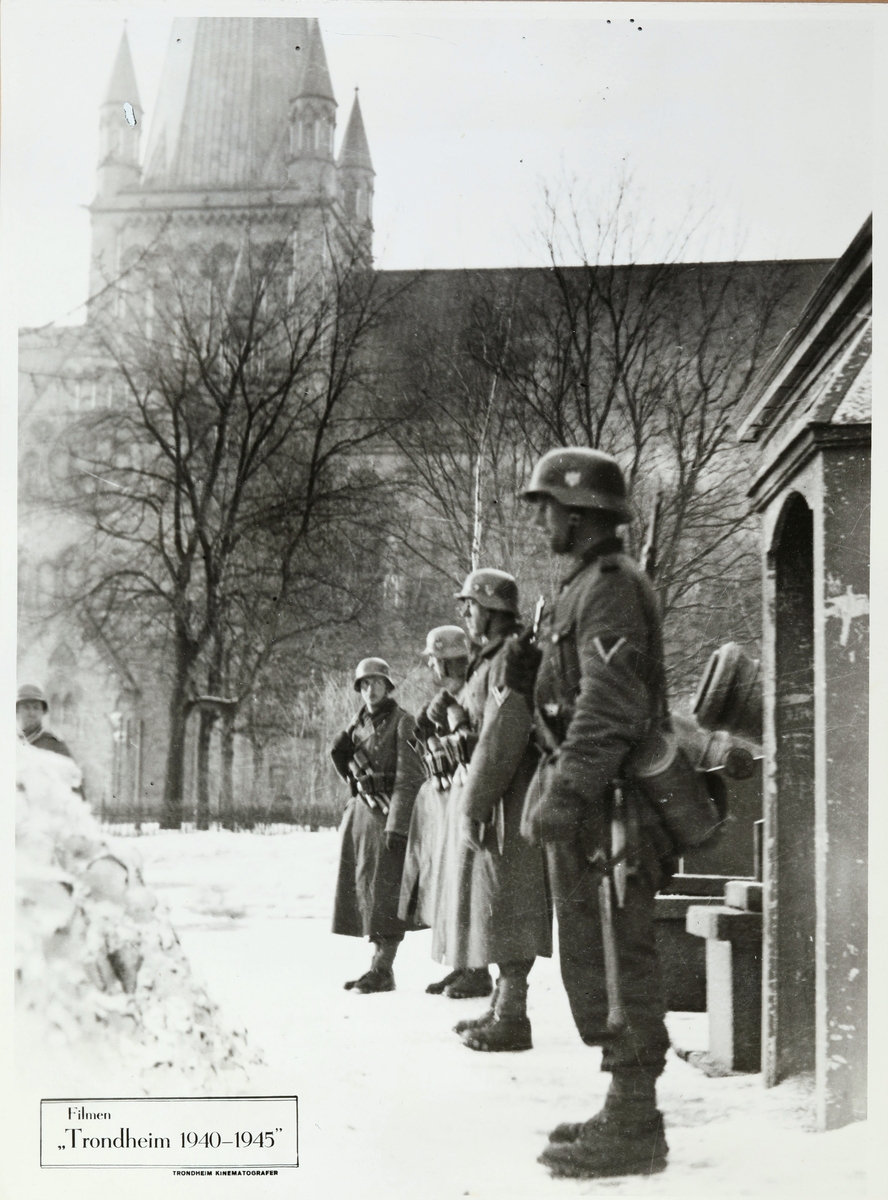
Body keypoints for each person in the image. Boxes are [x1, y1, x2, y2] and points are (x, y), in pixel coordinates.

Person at [515, 447, 673, 1178]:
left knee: (618, 951)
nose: (541, 517)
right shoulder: (581, 586)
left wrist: (566, 793)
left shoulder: (609, 587)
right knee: (595, 952)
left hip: (609, 807)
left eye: (547, 505)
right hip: (592, 804)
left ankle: (636, 1121)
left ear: (579, 515)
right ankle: (624, 1102)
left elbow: (609, 709)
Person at [432, 569, 552, 1052]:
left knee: (509, 901)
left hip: (511, 794)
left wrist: (476, 805)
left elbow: (503, 737)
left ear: (492, 608)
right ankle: (504, 1005)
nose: (465, 613)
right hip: (497, 791)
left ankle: (514, 1017)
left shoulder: (510, 660)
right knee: (496, 903)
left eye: (470, 605)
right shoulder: (491, 661)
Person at [400, 626, 492, 1000]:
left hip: (472, 792)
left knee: (469, 884)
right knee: (452, 885)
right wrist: (431, 719)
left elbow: (481, 740)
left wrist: (453, 719)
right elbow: (419, 739)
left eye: (436, 661)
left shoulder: (474, 690)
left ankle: (478, 969)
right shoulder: (452, 693)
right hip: (448, 794)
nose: (433, 667)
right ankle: (462, 964)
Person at [330, 658, 424, 993]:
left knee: (386, 893)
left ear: (388, 686)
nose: (371, 690)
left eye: (377, 683)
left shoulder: (403, 722)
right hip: (362, 817)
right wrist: (341, 761)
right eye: (364, 684)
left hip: (387, 819)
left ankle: (384, 969)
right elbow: (356, 780)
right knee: (367, 892)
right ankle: (375, 966)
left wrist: (398, 826)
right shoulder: (357, 724)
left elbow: (411, 777)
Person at [16, 684, 73, 758]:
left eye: (36, 708)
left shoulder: (55, 746)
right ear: (17, 710)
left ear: (42, 711)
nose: (31, 712)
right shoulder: (13, 742)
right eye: (26, 707)